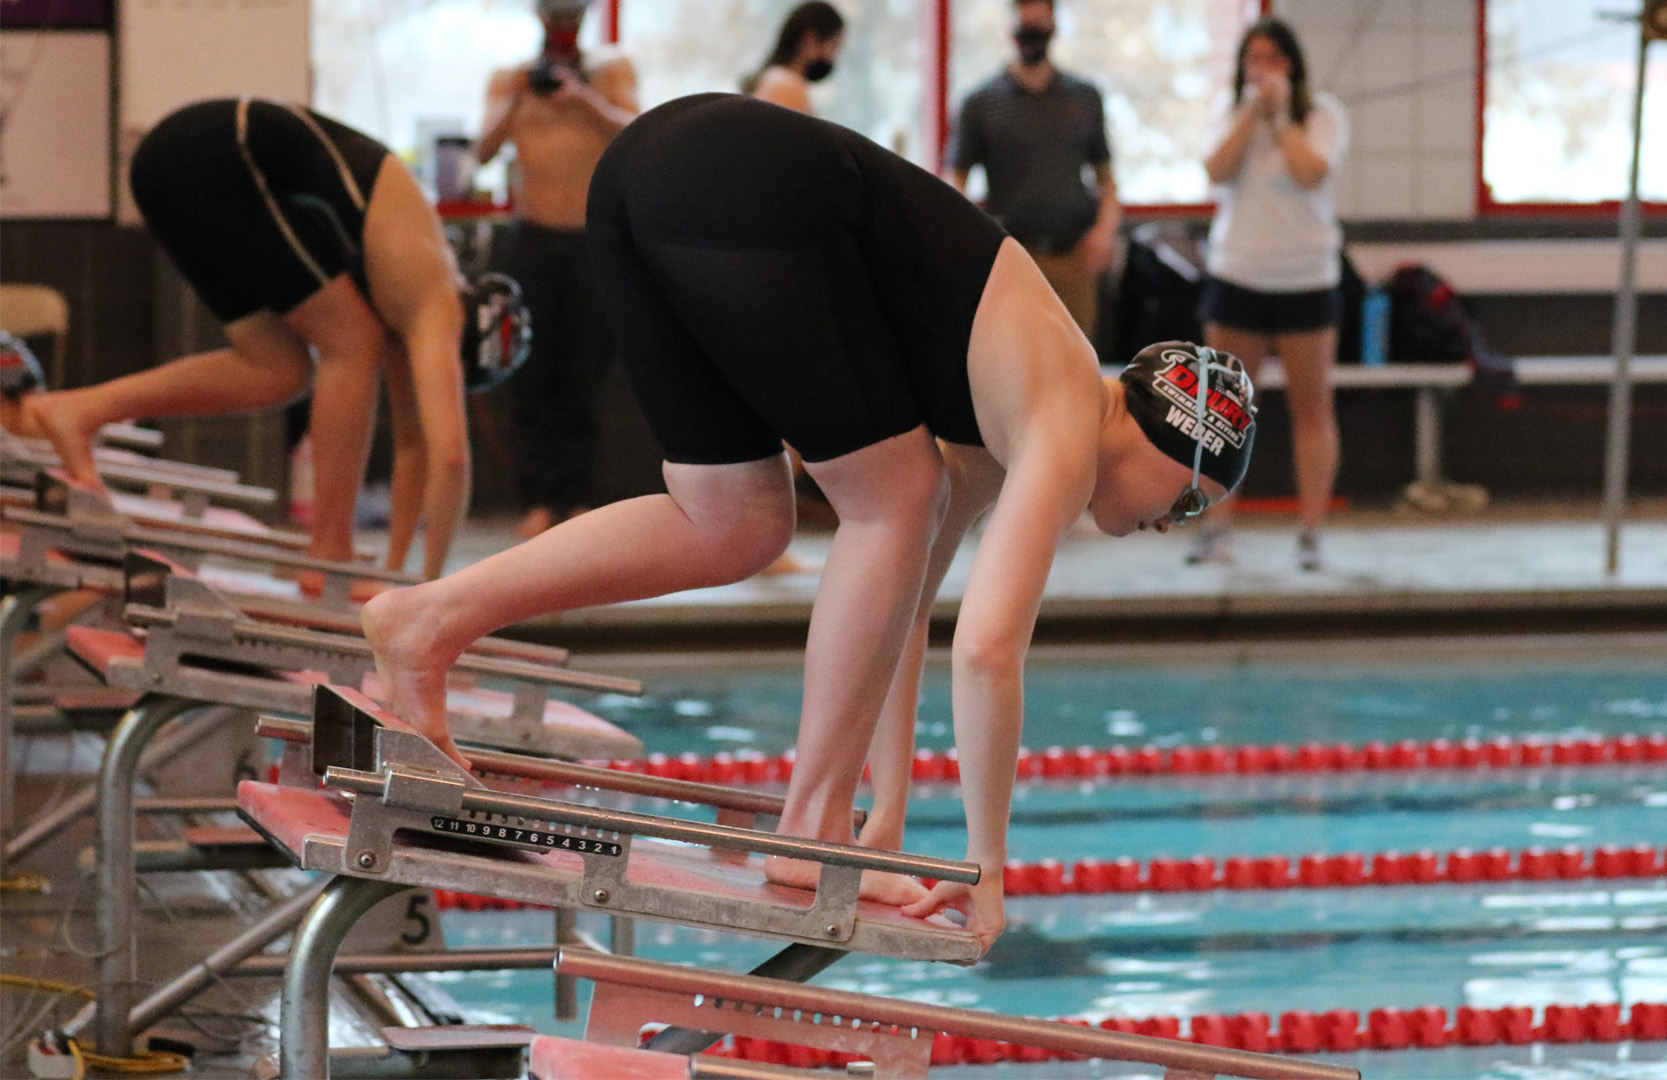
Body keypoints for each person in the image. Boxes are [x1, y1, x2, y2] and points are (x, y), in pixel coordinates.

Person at [361, 94, 1256, 951]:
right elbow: (986, 650)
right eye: (1190, 501)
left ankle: (426, 620)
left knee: (735, 519)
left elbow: (905, 611)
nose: (1171, 524)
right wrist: (986, 865)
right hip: (738, 182)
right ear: (1174, 442)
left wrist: (889, 814)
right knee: (897, 495)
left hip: (649, 172)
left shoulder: (1011, 411)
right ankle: (810, 828)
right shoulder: (1065, 416)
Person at [0, 97, 521, 584]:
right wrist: (435, 590)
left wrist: (403, 579)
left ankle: (79, 411)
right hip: (213, 156)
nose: (423, 371)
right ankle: (329, 551)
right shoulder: (434, 301)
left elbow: (414, 449)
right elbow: (452, 457)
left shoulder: (409, 296)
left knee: (279, 369)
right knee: (351, 341)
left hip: (172, 165)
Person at [1187, 17, 1348, 571]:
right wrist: (1250, 117)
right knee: (1224, 408)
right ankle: (1215, 528)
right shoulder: (1230, 113)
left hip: (1306, 279)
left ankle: (1311, 533)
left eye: (1273, 58)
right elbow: (1215, 169)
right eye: (1253, 59)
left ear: (1292, 65)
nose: (1263, 70)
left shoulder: (1322, 115)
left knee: (1312, 408)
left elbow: (1310, 172)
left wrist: (1279, 120)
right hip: (1239, 275)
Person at [475, 0, 639, 540]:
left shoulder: (610, 74)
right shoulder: (512, 78)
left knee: (584, 374)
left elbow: (637, 132)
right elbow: (481, 151)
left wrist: (585, 99)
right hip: (533, 239)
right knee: (532, 376)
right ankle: (540, 498)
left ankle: (579, 497)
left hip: (593, 241)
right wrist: (516, 97)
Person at [945, 0, 1119, 338]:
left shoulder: (1084, 97)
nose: (1031, 37)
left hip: (1072, 257)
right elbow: (955, 182)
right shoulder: (981, 102)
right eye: (1025, 27)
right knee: (1015, 352)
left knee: (1077, 357)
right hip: (1012, 258)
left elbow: (1107, 180)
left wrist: (1104, 231)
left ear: (1053, 28)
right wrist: (967, 241)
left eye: (1039, 27)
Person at [745, 1, 845, 116]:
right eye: (834, 46)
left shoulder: (774, 78)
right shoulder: (786, 86)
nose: (833, 56)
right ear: (810, 40)